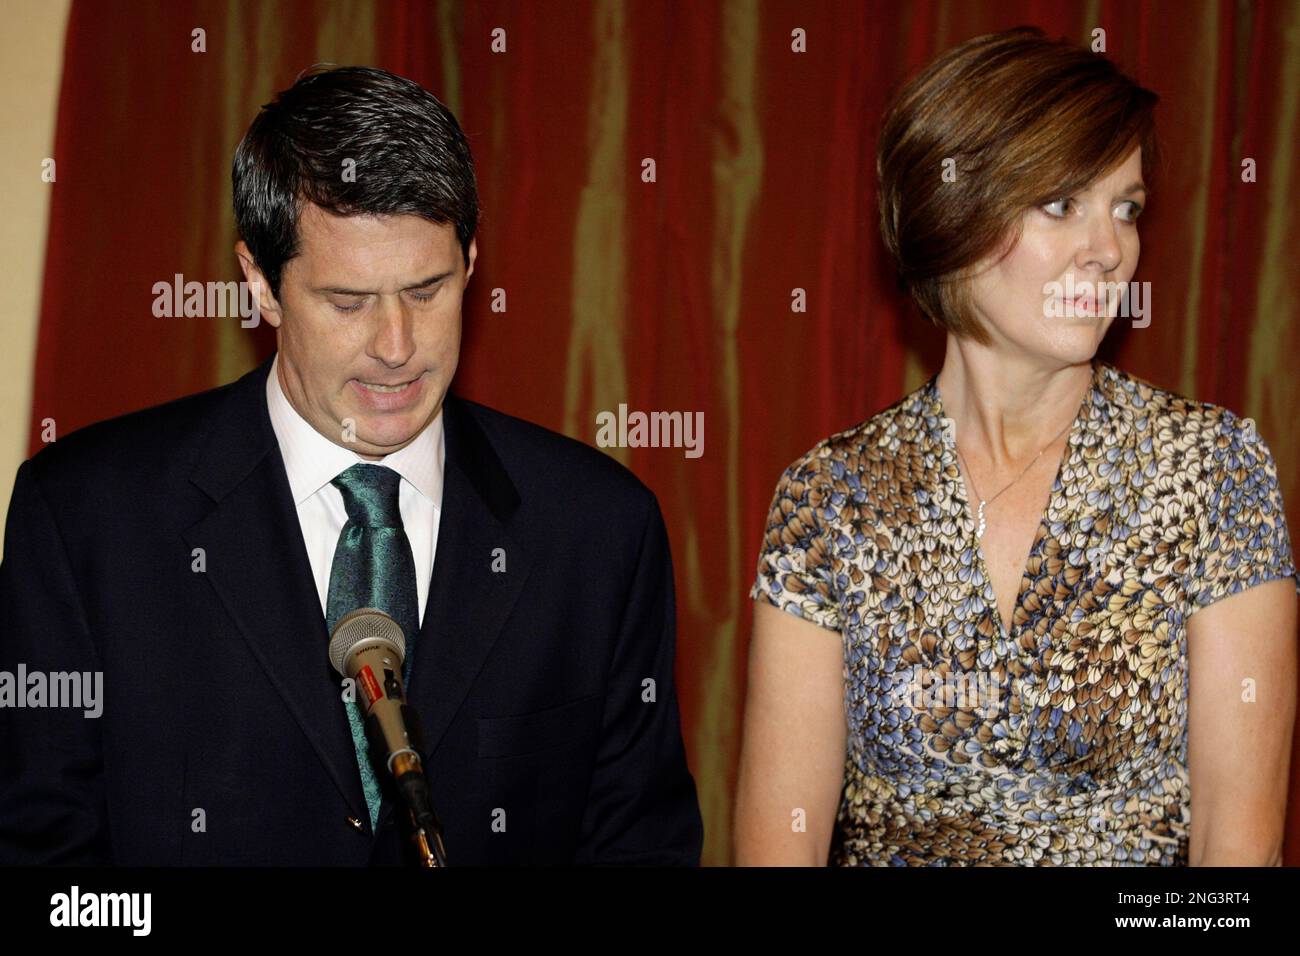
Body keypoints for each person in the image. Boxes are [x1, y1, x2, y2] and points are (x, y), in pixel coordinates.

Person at [0, 65, 702, 866]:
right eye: (348, 302)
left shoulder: (599, 532)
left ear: (473, 260)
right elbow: (48, 869)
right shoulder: (88, 518)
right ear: (259, 283)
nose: (397, 347)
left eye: (429, 289)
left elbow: (639, 847)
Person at [735, 27, 1298, 866]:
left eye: (1127, 207)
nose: (1109, 249)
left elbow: (1234, 853)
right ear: (951, 211)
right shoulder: (833, 496)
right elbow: (781, 843)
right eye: (1061, 203)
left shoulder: (1211, 472)